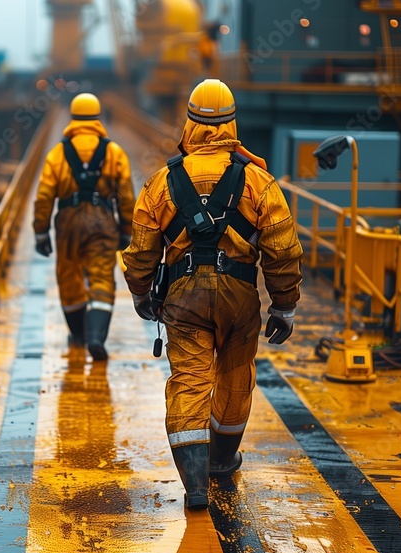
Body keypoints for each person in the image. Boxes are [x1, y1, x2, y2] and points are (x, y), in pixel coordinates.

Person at [123, 79, 303, 509]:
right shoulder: (259, 182)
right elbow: (282, 250)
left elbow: (140, 252)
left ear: (190, 122)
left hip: (184, 300)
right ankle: (222, 461)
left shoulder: (160, 184)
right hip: (241, 297)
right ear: (231, 123)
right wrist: (285, 305)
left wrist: (141, 294)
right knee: (236, 379)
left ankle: (195, 486)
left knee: (189, 383)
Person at [33, 93, 135, 361]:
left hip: (68, 220)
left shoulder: (58, 153)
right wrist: (126, 229)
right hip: (102, 220)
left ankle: (78, 334)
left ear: (73, 117)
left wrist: (40, 232)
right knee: (101, 277)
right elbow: (125, 194)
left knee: (69, 277)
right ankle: (96, 338)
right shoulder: (113, 152)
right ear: (98, 117)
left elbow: (44, 196)